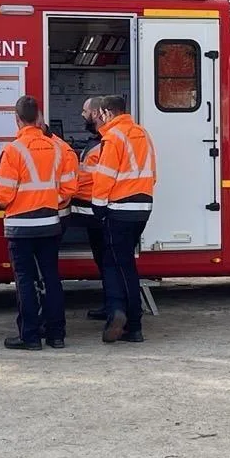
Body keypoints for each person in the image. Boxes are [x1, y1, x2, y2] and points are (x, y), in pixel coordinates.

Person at [0, 96, 72, 350]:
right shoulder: (56, 147)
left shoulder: (13, 150)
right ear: (38, 118)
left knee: (25, 281)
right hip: (50, 222)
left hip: (20, 226)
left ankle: (30, 337)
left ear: (17, 120)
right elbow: (67, 186)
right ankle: (56, 335)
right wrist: (51, 200)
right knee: (51, 277)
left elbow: (2, 196)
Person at [92, 94, 157, 343]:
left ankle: (124, 316)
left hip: (119, 208)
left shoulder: (113, 138)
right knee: (125, 261)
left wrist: (98, 207)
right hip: (143, 207)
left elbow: (105, 177)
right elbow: (153, 173)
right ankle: (131, 323)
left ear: (107, 113)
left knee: (114, 264)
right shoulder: (143, 134)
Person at [70, 96, 108, 320]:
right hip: (94, 207)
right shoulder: (98, 142)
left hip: (98, 209)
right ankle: (109, 304)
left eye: (85, 111)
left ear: (95, 113)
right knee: (102, 259)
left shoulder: (104, 144)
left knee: (105, 260)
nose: (82, 115)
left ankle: (111, 306)